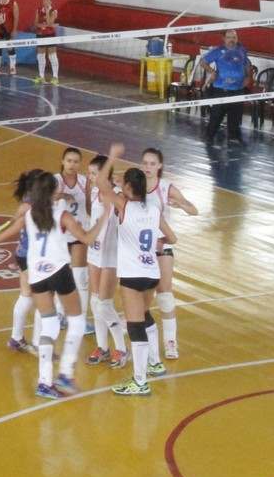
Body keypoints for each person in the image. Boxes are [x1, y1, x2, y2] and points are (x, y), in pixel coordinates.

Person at [0, 172, 102, 399]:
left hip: (37, 275)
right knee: (76, 322)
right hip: (59, 272)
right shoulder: (62, 214)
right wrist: (104, 218)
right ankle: (65, 373)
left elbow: (7, 232)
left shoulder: (29, 215)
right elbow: (86, 239)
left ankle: (44, 382)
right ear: (54, 192)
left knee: (49, 327)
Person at [95, 144, 180, 396]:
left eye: (123, 184)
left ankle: (140, 381)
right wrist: (158, 242)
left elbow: (101, 182)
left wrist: (111, 157)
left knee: (135, 326)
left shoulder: (125, 206)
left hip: (132, 275)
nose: (119, 187)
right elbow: (172, 238)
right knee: (145, 315)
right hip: (152, 273)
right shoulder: (154, 209)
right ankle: (155, 362)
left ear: (130, 188)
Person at [0, 168, 44, 356]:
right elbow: (12, 227)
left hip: (29, 254)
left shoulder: (39, 202)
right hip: (30, 255)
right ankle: (37, 343)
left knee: (27, 294)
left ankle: (17, 338)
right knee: (42, 298)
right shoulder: (28, 207)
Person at [142, 147, 198, 361]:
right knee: (143, 296)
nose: (148, 167)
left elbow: (194, 210)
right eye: (145, 163)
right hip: (141, 249)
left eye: (152, 164)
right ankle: (138, 326)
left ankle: (170, 341)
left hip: (163, 246)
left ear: (160, 166)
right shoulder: (135, 185)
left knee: (164, 292)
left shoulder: (166, 188)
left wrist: (181, 205)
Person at [84, 154, 128, 369]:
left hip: (111, 254)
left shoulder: (118, 195)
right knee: (95, 301)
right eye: (89, 173)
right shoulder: (93, 192)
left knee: (104, 304)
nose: (89, 177)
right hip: (94, 253)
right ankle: (102, 347)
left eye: (93, 173)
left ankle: (121, 349)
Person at [54, 147, 90, 332]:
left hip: (78, 234)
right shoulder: (55, 180)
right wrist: (62, 195)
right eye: (69, 160)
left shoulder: (84, 182)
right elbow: (44, 198)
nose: (72, 164)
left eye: (76, 161)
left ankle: (80, 319)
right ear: (62, 161)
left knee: (80, 277)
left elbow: (91, 206)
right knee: (60, 276)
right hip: (59, 235)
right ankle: (60, 313)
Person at [200, 29, 253, 146]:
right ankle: (209, 137)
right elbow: (203, 62)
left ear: (237, 38)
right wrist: (212, 72)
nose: (231, 40)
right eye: (229, 37)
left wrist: (248, 77)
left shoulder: (241, 50)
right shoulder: (218, 51)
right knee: (216, 115)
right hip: (222, 89)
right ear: (224, 39)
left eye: (233, 37)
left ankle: (233, 137)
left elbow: (247, 63)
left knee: (236, 116)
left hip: (238, 89)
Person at [32, 0, 59, 85]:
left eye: (47, 0)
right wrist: (42, 25)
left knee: (52, 56)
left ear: (51, 1)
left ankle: (55, 77)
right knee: (40, 56)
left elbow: (50, 23)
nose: (45, 1)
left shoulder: (54, 11)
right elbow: (35, 23)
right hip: (40, 34)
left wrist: (47, 12)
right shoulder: (38, 10)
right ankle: (41, 76)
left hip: (50, 34)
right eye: (44, 0)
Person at [0, 0, 19, 74]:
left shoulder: (13, 3)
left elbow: (16, 18)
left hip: (8, 29)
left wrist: (14, 30)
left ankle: (12, 67)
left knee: (10, 47)